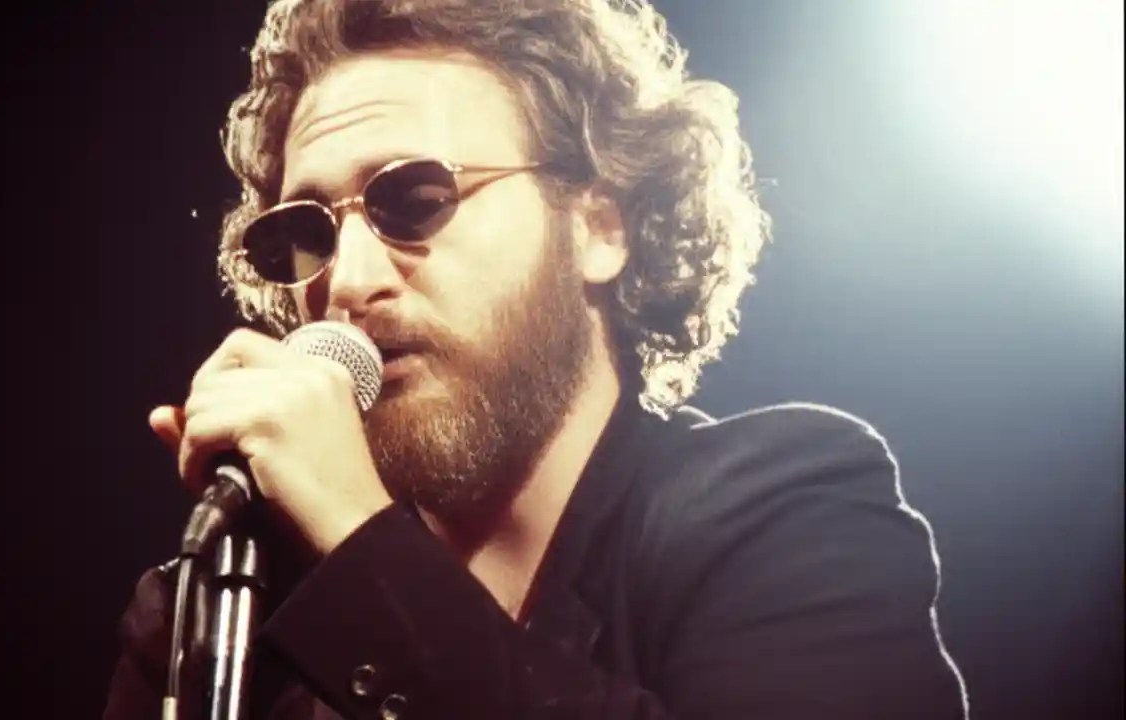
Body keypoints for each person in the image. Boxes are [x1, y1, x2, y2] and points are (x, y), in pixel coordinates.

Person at [103, 1, 969, 718]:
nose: (349, 282)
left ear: (599, 226)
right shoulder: (230, 603)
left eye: (417, 197)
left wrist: (356, 535)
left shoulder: (781, 510)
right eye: (305, 233)